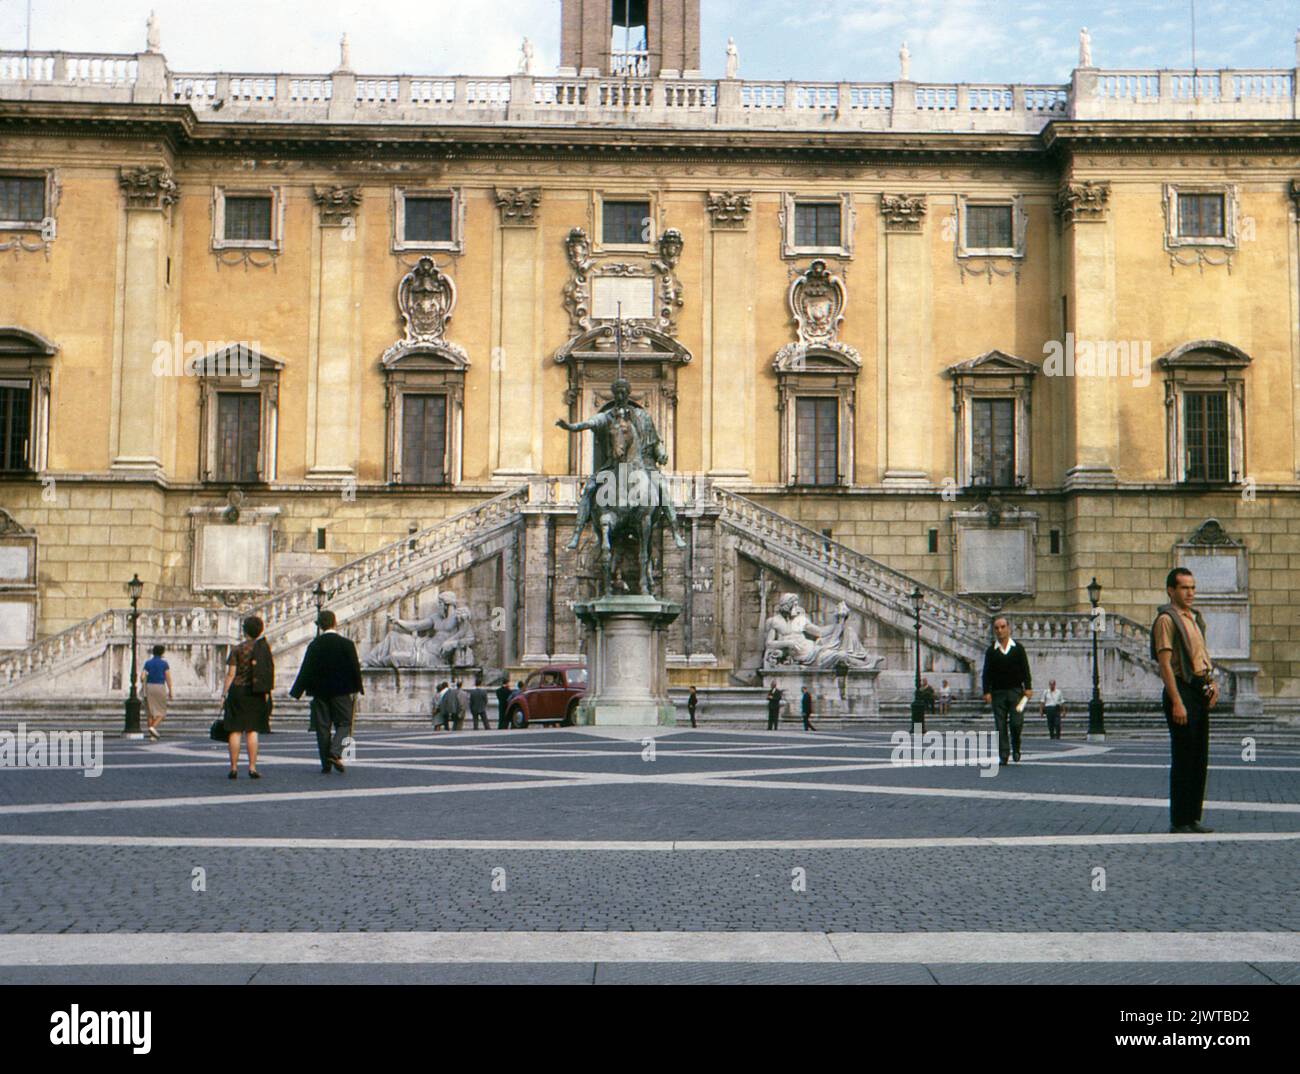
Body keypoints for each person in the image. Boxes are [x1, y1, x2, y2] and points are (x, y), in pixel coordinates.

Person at [1152, 567, 1219, 834]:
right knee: (1183, 757)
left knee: (1199, 757)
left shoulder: (1194, 619)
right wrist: (1176, 700)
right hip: (1180, 691)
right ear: (1171, 590)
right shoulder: (1167, 620)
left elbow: (1201, 657)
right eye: (1184, 587)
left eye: (1192, 587)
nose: (1190, 592)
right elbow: (1165, 665)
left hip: (1198, 691)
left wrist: (1211, 683)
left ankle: (1193, 817)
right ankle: (1180, 819)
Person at [289, 609, 364, 775]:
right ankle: (335, 752)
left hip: (319, 693)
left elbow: (305, 669)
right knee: (345, 723)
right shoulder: (346, 644)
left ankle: (326, 763)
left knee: (322, 727)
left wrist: (296, 691)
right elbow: (354, 667)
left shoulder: (315, 645)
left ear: (320, 626)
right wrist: (359, 687)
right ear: (335, 623)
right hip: (341, 691)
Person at [222, 616, 273, 779]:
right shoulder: (263, 649)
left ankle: (234, 767)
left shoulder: (237, 649)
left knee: (235, 730)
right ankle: (252, 767)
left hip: (238, 690)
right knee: (252, 731)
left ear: (244, 630)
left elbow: (231, 674)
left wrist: (224, 693)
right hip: (255, 692)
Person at [981, 615, 1032, 765]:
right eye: (997, 628)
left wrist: (1028, 687)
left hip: (1017, 692)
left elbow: (1025, 669)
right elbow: (986, 672)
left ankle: (1016, 745)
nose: (1000, 630)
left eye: (1003, 627)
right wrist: (986, 691)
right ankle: (1004, 754)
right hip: (998, 693)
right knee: (1000, 724)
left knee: (1016, 723)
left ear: (1008, 629)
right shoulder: (991, 651)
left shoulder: (1018, 648)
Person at [141, 644, 172, 740]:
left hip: (149, 687)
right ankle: (152, 728)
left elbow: (142, 677)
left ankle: (152, 735)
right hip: (159, 687)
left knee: (150, 712)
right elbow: (168, 678)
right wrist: (170, 690)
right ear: (162, 652)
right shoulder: (164, 663)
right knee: (161, 712)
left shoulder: (148, 663)